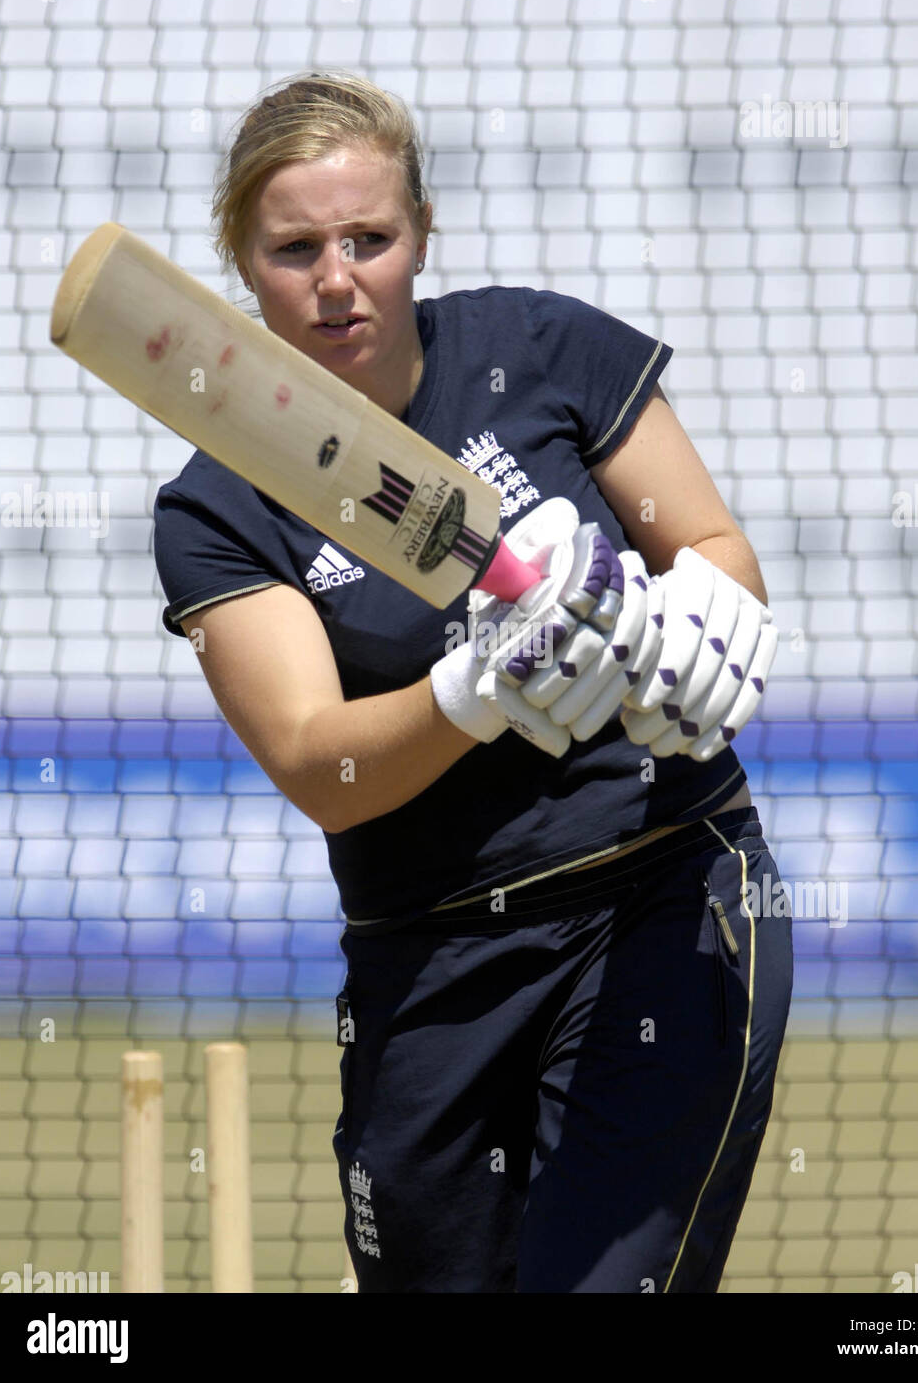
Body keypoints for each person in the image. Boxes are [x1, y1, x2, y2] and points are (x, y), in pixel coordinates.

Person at [153, 70, 793, 1294]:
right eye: (295, 248)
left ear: (420, 237)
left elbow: (712, 548)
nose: (337, 277)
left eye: (368, 239)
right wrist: (479, 686)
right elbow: (317, 762)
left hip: (659, 895)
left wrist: (686, 626)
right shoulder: (220, 504)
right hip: (428, 962)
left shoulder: (541, 352)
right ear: (243, 261)